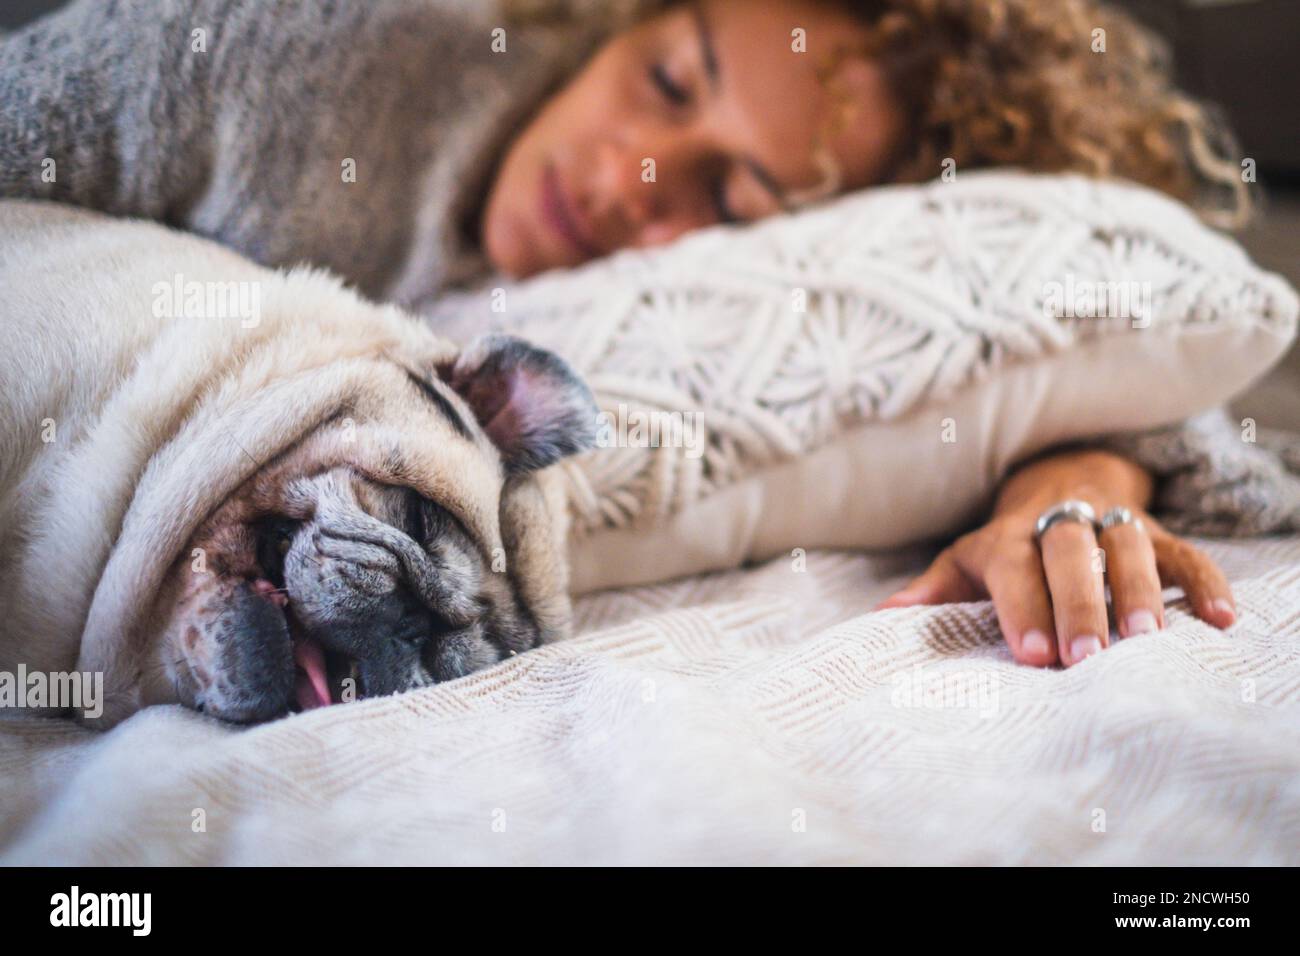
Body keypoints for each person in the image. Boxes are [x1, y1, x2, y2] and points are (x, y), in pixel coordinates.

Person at [0, 0, 1269, 668]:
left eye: (728, 198)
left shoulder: (749, 318)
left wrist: (1064, 488)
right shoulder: (306, 47)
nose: (629, 175)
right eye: (669, 81)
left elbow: (1086, 349)